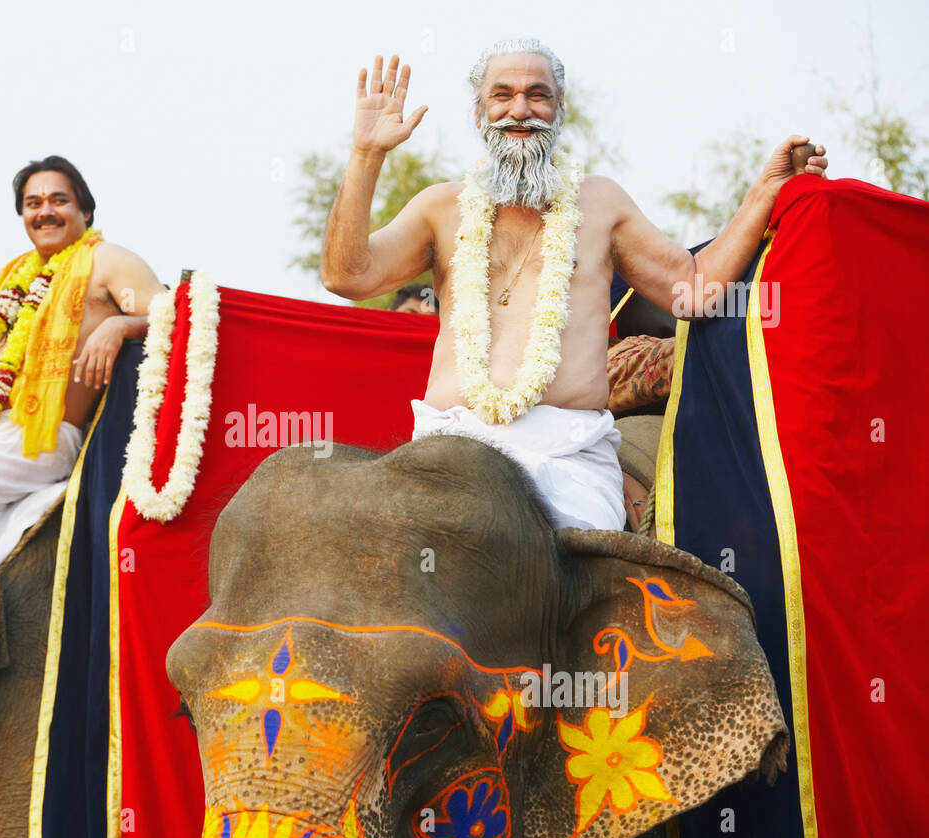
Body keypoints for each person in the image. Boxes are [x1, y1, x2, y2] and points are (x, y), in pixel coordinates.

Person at [320, 40, 827, 531]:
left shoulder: (601, 204)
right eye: (502, 95)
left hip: (567, 461)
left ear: (558, 110)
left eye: (537, 94)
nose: (520, 110)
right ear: (478, 114)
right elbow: (347, 276)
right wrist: (366, 154)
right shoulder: (439, 207)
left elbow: (691, 289)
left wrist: (764, 193)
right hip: (449, 447)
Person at [0, 157, 164, 567]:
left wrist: (121, 326)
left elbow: (178, 310)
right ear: (23, 214)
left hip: (37, 436)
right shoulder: (18, 272)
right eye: (33, 203)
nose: (45, 211)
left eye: (59, 200)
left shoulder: (107, 259)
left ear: (85, 211)